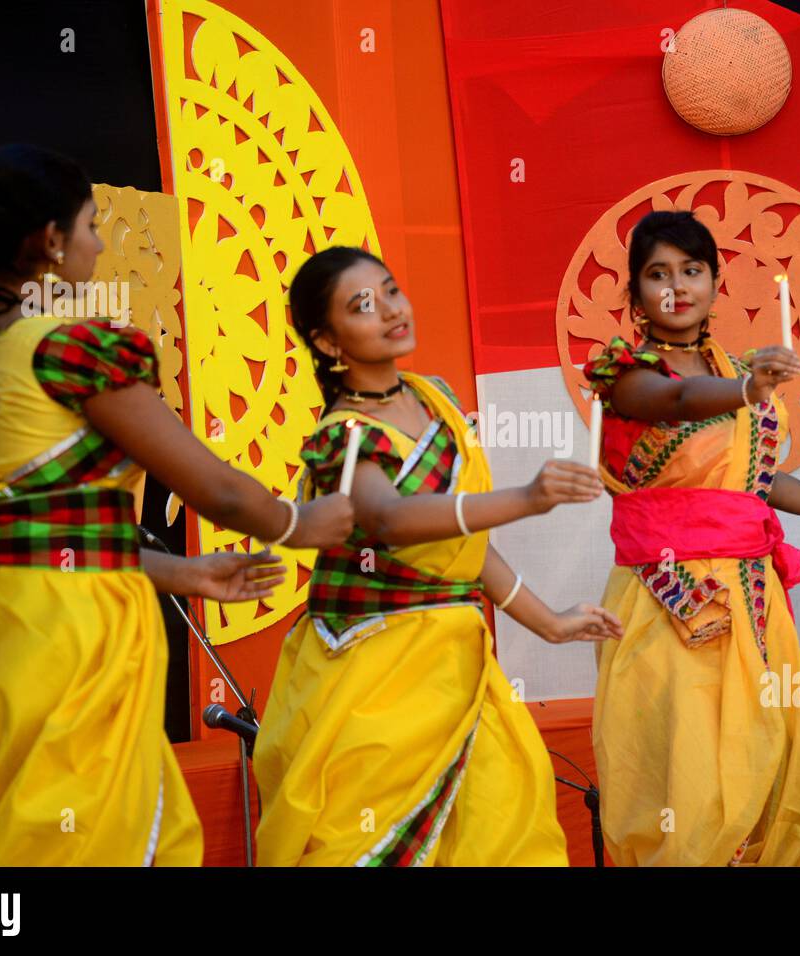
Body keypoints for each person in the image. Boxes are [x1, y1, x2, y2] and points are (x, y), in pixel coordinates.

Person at [0, 144, 353, 866]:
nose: (100, 243)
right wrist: (302, 522)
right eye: (90, 226)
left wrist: (185, 574)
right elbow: (218, 489)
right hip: (65, 633)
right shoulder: (70, 349)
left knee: (12, 836)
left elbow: (40, 535)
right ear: (51, 240)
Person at [253, 246, 622, 866]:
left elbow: (465, 550)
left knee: (502, 829)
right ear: (327, 341)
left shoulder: (436, 400)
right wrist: (526, 498)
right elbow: (390, 522)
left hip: (456, 663)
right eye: (363, 306)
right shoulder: (342, 435)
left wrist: (551, 622)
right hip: (372, 673)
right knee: (364, 839)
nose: (392, 310)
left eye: (392, 290)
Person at [584, 210, 800, 866]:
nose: (676, 286)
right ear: (633, 294)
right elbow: (675, 403)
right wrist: (745, 388)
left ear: (715, 282)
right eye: (658, 274)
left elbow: (749, 481)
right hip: (669, 600)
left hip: (752, 597)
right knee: (684, 777)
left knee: (766, 759)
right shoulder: (628, 373)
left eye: (692, 270)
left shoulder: (732, 370)